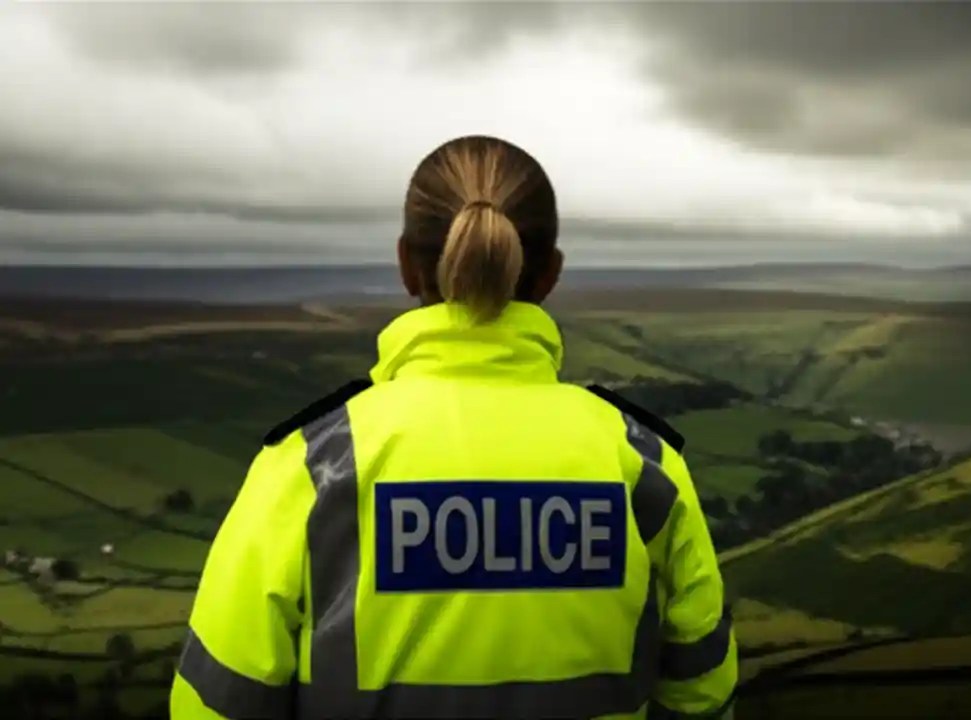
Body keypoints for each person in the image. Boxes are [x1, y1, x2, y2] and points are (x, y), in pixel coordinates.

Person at [170, 135, 737, 719]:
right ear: (550, 275)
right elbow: (703, 693)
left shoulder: (312, 469)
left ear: (407, 265)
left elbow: (214, 706)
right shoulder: (644, 466)